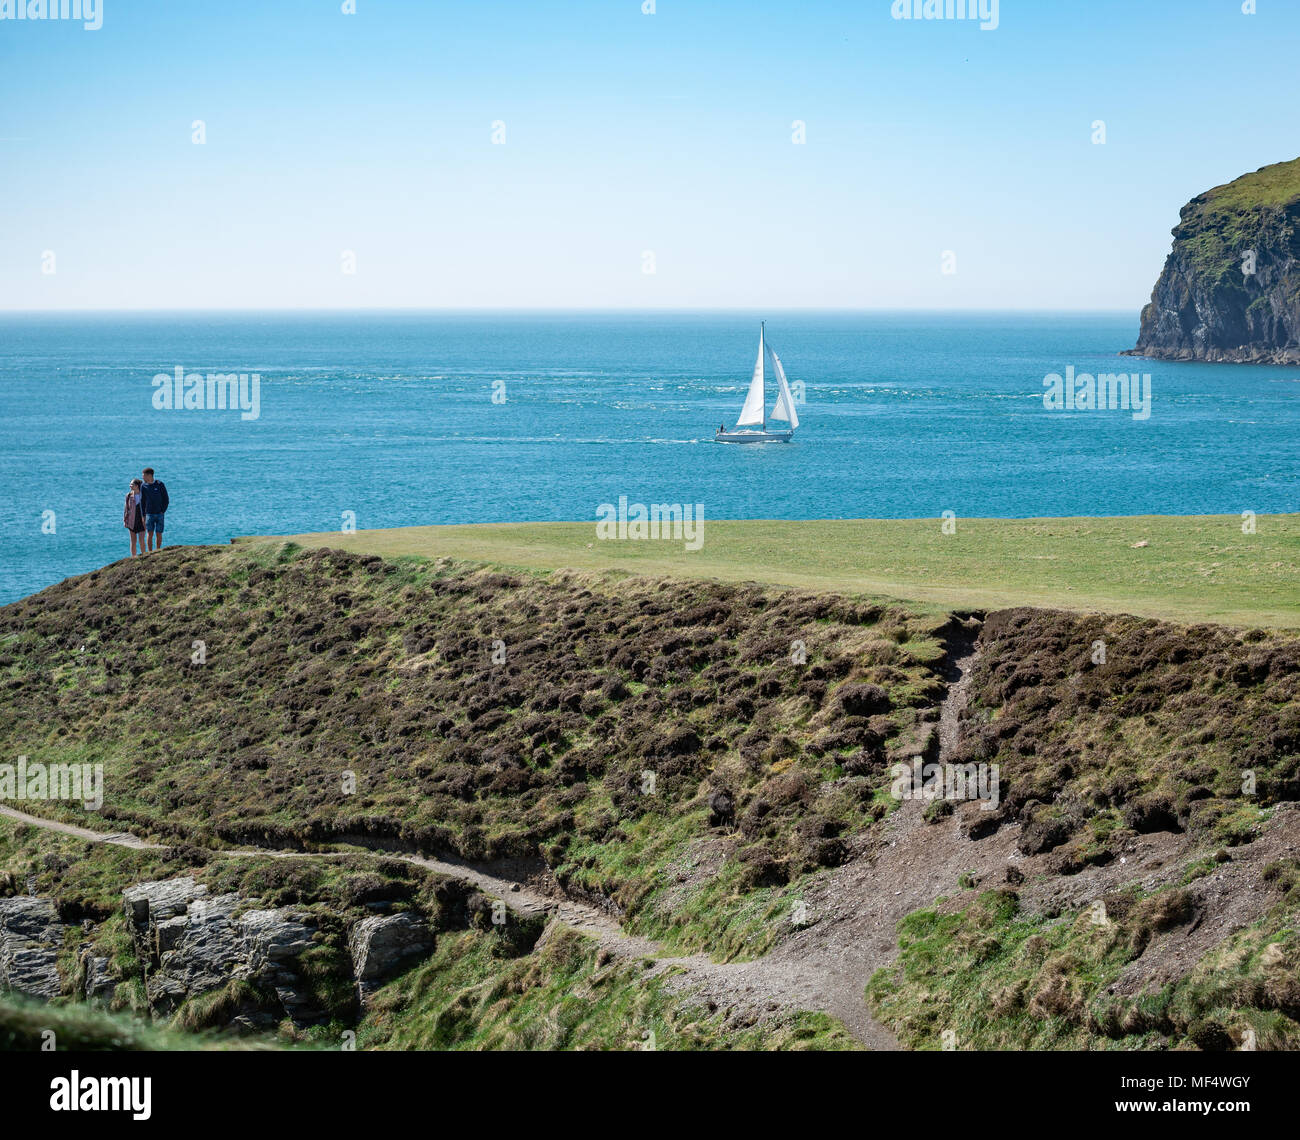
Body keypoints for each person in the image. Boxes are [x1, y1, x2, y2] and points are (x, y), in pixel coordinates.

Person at [139, 467, 169, 552]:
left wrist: (162, 511)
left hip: (160, 513)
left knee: (159, 533)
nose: (143, 478)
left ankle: (158, 550)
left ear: (149, 475)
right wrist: (143, 515)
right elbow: (142, 501)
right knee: (149, 533)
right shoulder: (143, 486)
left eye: (144, 476)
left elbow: (166, 499)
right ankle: (150, 552)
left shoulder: (160, 484)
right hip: (149, 514)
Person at [123, 478, 146, 556]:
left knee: (141, 540)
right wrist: (125, 521)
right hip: (132, 521)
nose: (130, 486)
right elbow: (126, 509)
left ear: (137, 486)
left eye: (132, 484)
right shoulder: (129, 496)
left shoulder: (144, 495)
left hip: (142, 521)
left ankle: (144, 556)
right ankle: (133, 558)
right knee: (133, 541)